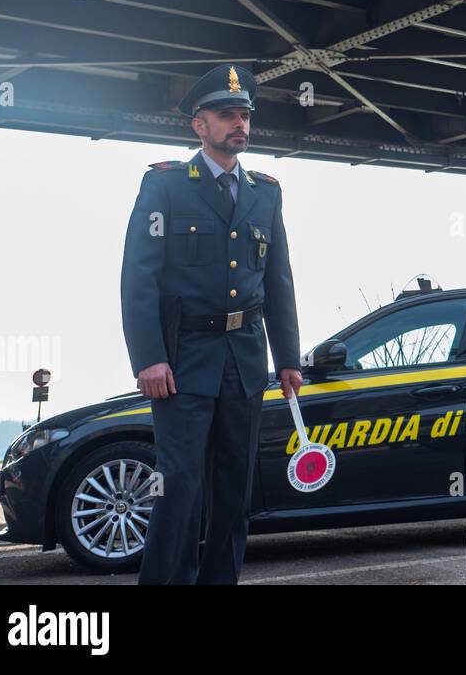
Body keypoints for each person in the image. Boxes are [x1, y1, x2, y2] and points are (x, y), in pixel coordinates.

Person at [120, 63, 302, 584]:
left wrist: (287, 359)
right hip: (182, 360)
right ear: (198, 124)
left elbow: (279, 280)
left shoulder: (265, 192)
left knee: (233, 491)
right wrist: (149, 357)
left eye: (245, 115)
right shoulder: (165, 186)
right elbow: (139, 280)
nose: (239, 124)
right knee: (177, 487)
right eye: (227, 115)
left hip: (245, 360)